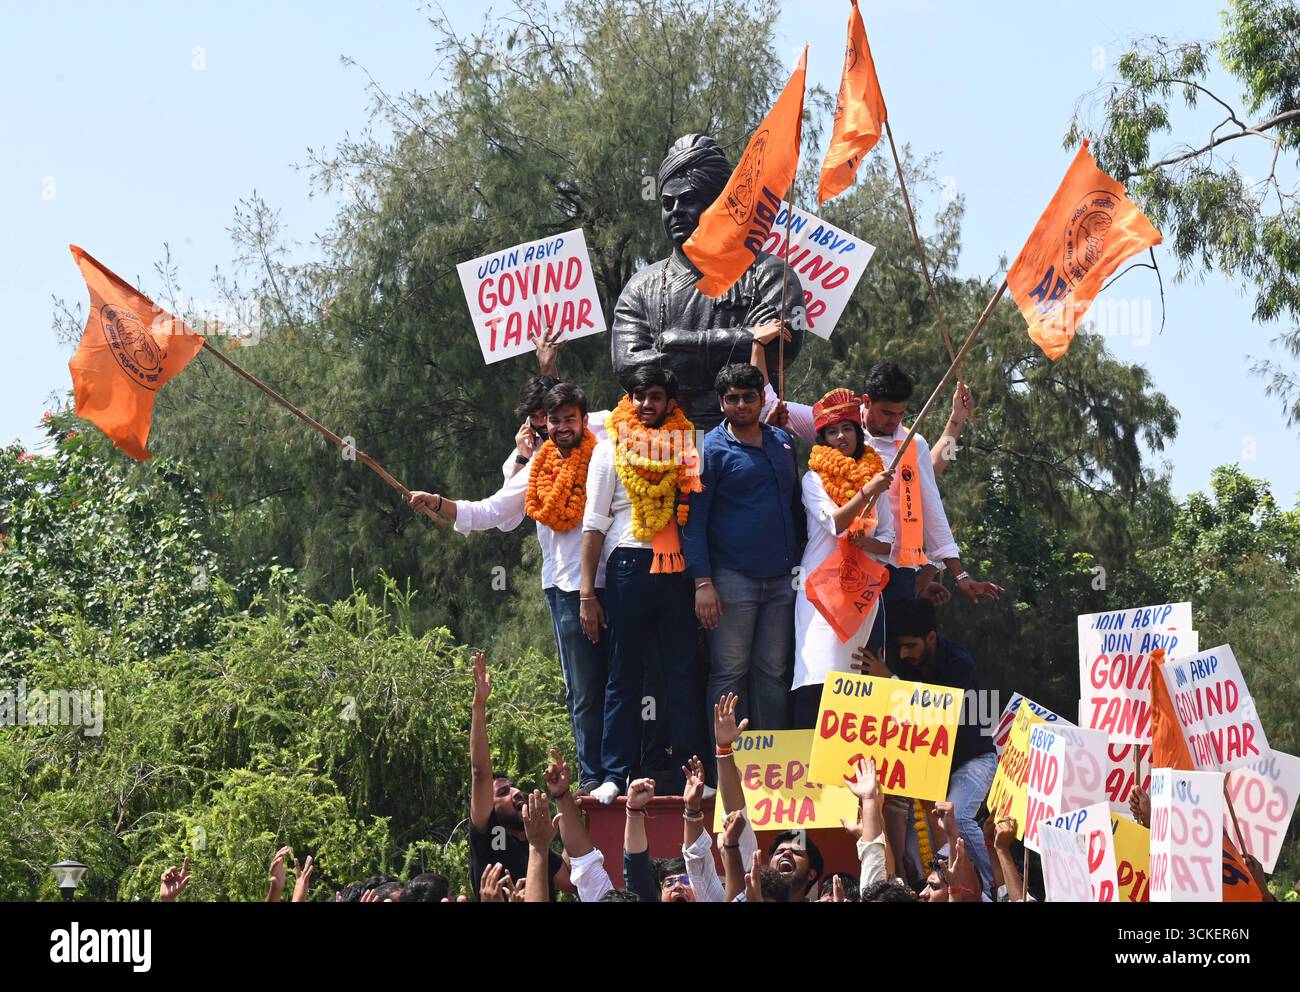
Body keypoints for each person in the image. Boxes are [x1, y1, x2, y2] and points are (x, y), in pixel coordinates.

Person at [408, 383, 611, 794]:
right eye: (550, 420)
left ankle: (621, 771)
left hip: (614, 579)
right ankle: (594, 777)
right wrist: (440, 502)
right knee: (583, 688)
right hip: (566, 585)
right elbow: (496, 511)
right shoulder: (535, 463)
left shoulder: (605, 444)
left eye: (566, 418)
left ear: (583, 420)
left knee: (623, 682)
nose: (558, 426)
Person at [610, 133, 805, 432]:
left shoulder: (769, 273)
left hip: (749, 443)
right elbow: (629, 366)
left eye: (688, 199)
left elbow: (782, 349)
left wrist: (683, 342)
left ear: (719, 203)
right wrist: (747, 337)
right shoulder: (640, 287)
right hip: (665, 446)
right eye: (666, 202)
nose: (675, 211)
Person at [580, 366, 707, 799]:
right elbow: (594, 525)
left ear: (671, 402)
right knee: (623, 674)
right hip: (628, 567)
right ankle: (616, 773)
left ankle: (693, 773)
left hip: (675, 569)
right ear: (629, 400)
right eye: (639, 396)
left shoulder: (688, 444)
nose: (647, 405)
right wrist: (586, 593)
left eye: (656, 396)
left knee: (682, 673)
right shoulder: (609, 445)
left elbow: (697, 511)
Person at [684, 363, 801, 732]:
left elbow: (796, 508)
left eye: (749, 397)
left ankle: (772, 771)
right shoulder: (707, 450)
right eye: (732, 398)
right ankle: (727, 770)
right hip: (732, 579)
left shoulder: (782, 443)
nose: (741, 405)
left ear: (761, 399)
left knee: (773, 672)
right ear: (721, 403)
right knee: (730, 672)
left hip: (783, 578)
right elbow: (693, 521)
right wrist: (702, 583)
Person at [858, 598, 998, 894]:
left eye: (911, 645)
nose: (904, 653)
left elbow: (939, 714)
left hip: (973, 760)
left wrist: (892, 681)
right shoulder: (908, 662)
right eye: (901, 647)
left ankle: (993, 889)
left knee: (958, 816)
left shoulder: (959, 663)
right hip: (934, 771)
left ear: (931, 638)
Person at [790, 387, 895, 728]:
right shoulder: (813, 478)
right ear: (822, 438)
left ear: (857, 432)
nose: (840, 437)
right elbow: (837, 524)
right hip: (821, 592)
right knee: (819, 673)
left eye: (847, 429)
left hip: (861, 591)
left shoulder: (876, 475)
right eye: (832, 431)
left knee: (855, 683)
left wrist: (866, 544)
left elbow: (890, 543)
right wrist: (868, 492)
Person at [463, 650, 571, 899]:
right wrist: (479, 706)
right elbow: (480, 773)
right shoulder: (486, 832)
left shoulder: (531, 842)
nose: (515, 792)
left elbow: (569, 882)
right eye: (502, 791)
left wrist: (565, 799)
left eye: (512, 787)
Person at [504, 328, 609, 480]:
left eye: (546, 415)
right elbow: (506, 502)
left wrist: (548, 366)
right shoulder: (524, 453)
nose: (542, 422)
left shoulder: (603, 424)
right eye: (534, 416)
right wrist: (522, 460)